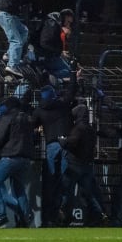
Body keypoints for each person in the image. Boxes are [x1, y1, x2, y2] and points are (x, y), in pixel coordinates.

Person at [30, 83, 75, 227]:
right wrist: (73, 72)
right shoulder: (62, 105)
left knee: (51, 181)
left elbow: (31, 126)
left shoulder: (39, 110)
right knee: (66, 180)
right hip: (65, 143)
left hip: (50, 145)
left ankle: (49, 217)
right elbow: (72, 90)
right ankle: (64, 213)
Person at [0, 96, 34, 228]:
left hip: (10, 156)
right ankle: (26, 216)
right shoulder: (28, 118)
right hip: (25, 159)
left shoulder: (8, 117)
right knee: (19, 189)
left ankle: (1, 215)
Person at [60, 104, 107, 226]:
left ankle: (64, 215)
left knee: (67, 191)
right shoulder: (90, 129)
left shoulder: (78, 128)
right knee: (88, 193)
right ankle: (99, 214)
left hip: (74, 164)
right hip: (87, 164)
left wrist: (63, 141)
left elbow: (73, 143)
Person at [0, 0, 46, 78]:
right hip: (3, 12)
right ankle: (12, 65)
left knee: (24, 31)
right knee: (16, 40)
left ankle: (9, 54)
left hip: (9, 13)